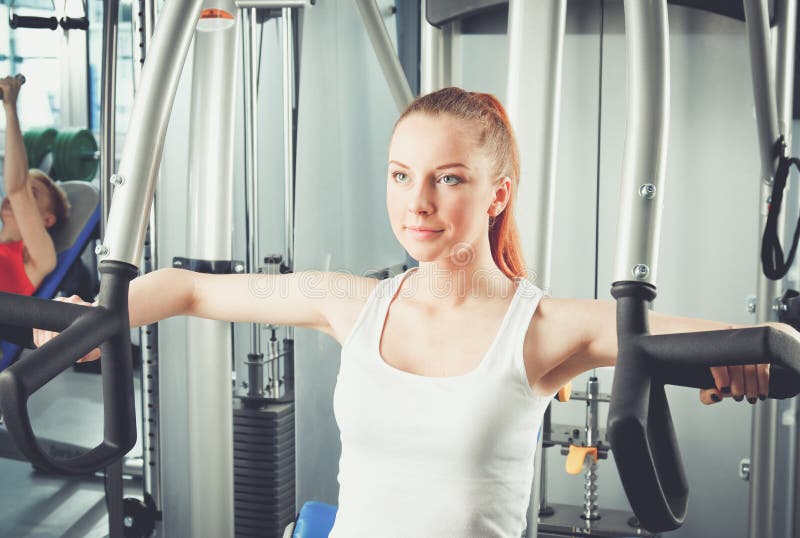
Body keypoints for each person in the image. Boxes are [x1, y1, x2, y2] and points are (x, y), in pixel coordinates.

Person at [36, 87, 791, 536]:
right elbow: (188, 288)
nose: (416, 202)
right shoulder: (354, 303)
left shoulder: (547, 329)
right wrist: (87, 320)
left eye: (448, 178)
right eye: (401, 175)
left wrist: (752, 357)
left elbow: (756, 343)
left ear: (496, 194)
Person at [0, 75, 70, 295]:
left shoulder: (39, 259)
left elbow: (17, 189)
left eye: (33, 194)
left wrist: (10, 107)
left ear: (48, 219)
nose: (14, 200)